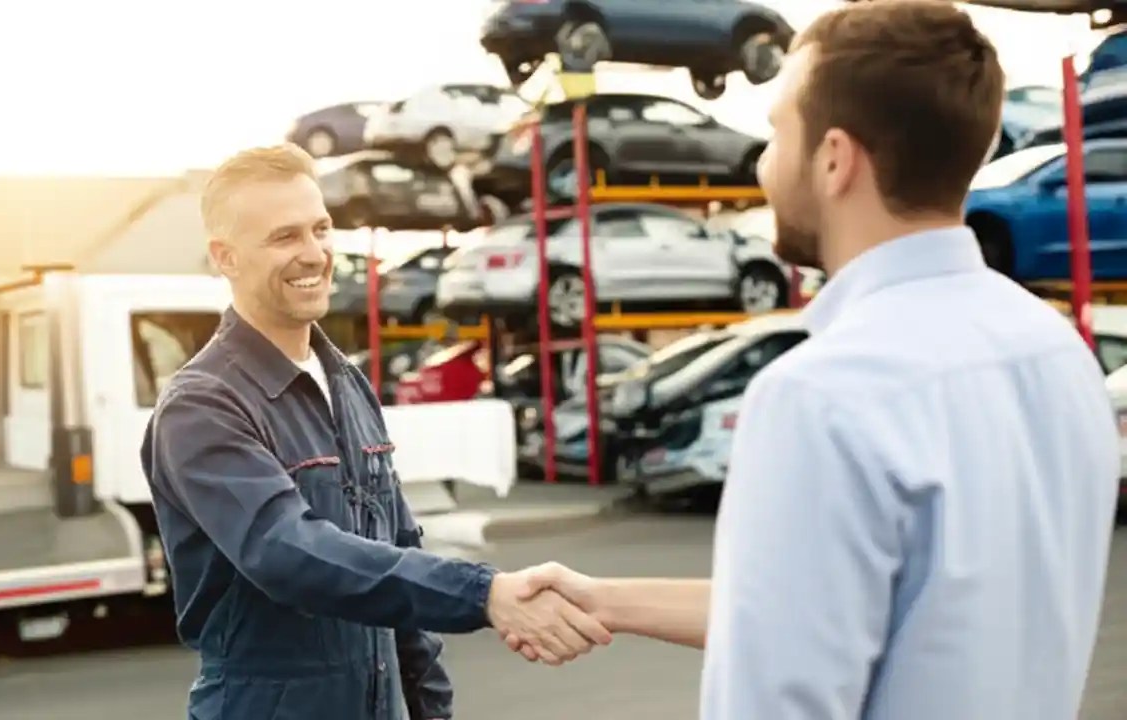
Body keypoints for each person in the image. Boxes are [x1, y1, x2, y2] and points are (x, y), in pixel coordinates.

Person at [509, 1, 1122, 718]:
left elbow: (782, 690)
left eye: (775, 133)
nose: (764, 165)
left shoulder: (821, 396)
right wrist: (607, 599)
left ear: (834, 159)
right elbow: (863, 606)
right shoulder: (1057, 354)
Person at [139, 144, 612, 720]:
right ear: (226, 258)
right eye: (284, 237)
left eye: (321, 229)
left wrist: (431, 709)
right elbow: (289, 554)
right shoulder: (203, 406)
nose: (313, 254)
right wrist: (483, 594)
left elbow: (397, 552)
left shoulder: (347, 383)